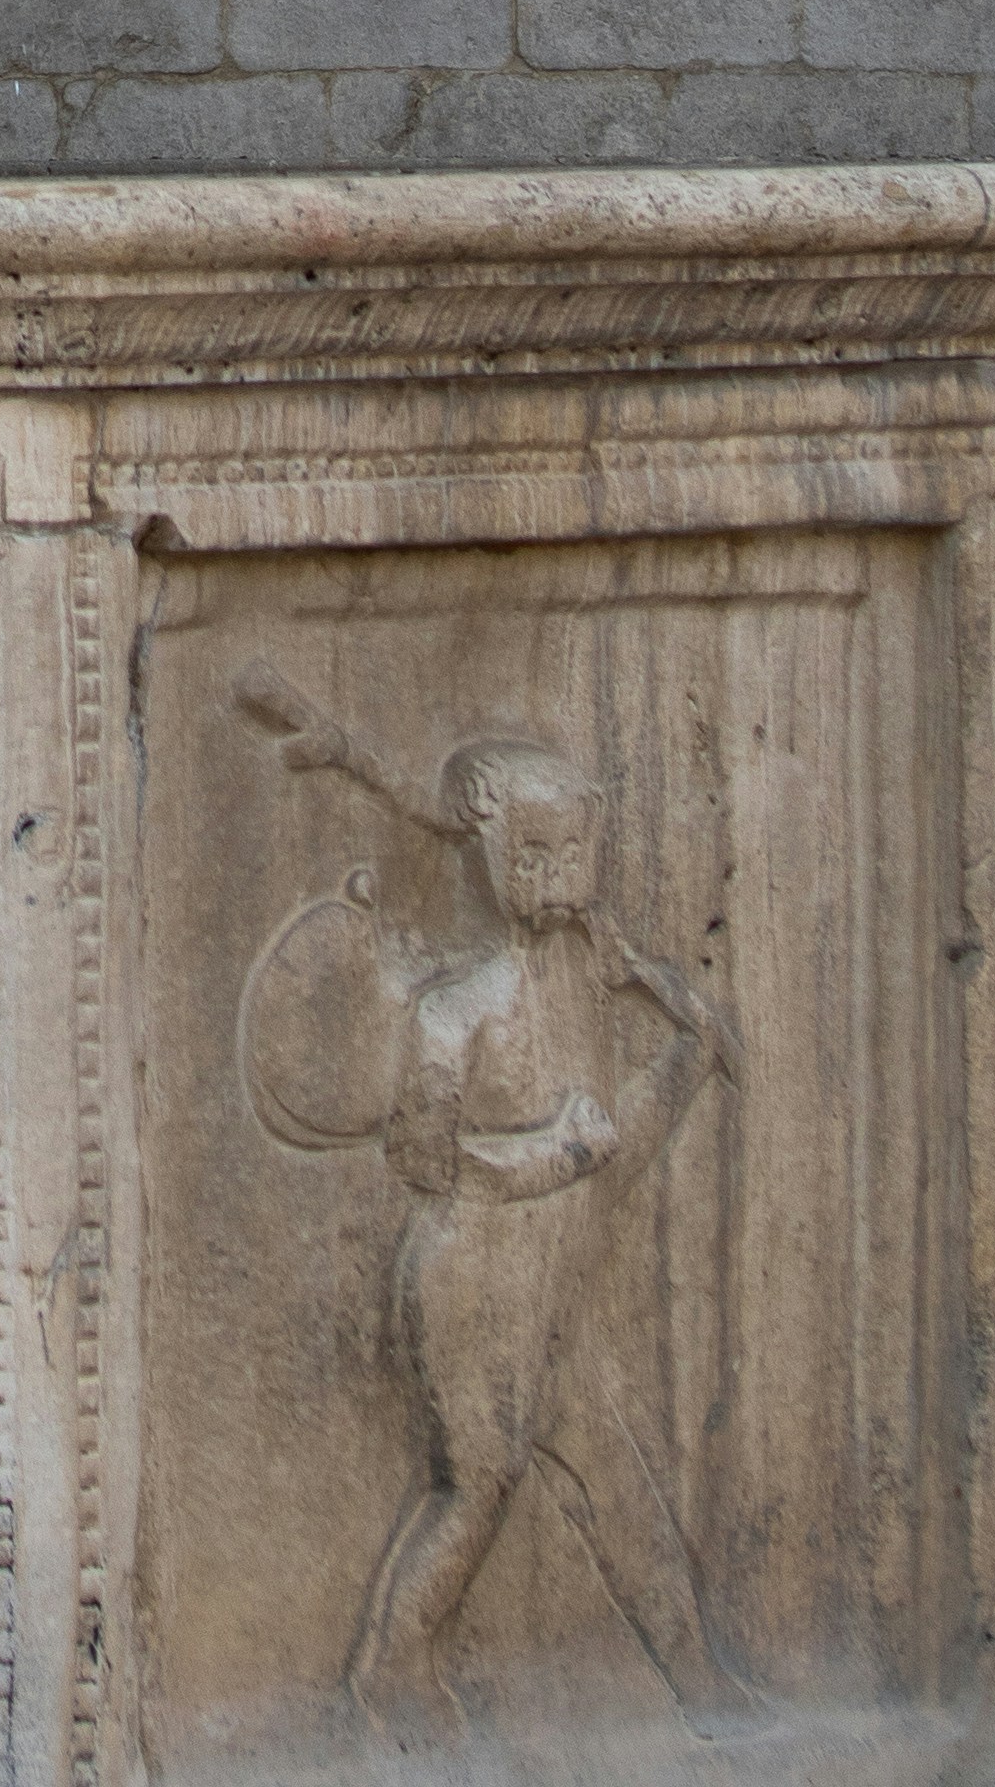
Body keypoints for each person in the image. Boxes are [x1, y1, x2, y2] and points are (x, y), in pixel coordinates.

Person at [308, 724, 753, 1740]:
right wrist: (554, 1157)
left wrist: (648, 978)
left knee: (624, 1492)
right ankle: (391, 1672)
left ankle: (705, 1688)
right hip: (470, 1272)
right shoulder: (453, 1013)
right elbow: (424, 1162)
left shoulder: (582, 987)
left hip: (552, 1284)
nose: (557, 879)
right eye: (535, 855)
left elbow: (693, 1049)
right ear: (490, 856)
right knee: (482, 1481)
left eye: (571, 855)